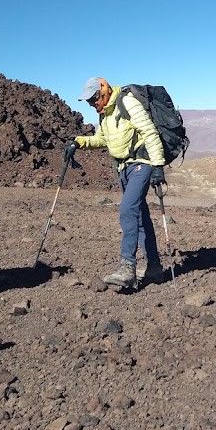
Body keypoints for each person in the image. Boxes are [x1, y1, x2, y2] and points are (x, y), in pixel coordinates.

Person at [66, 77, 166, 289]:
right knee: (140, 217)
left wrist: (158, 166)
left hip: (141, 162)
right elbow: (102, 139)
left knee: (128, 209)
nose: (92, 103)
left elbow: (149, 131)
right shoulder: (106, 114)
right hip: (123, 169)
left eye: (93, 98)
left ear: (103, 91)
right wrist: (79, 142)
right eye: (89, 101)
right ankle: (155, 267)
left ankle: (127, 267)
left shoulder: (127, 102)